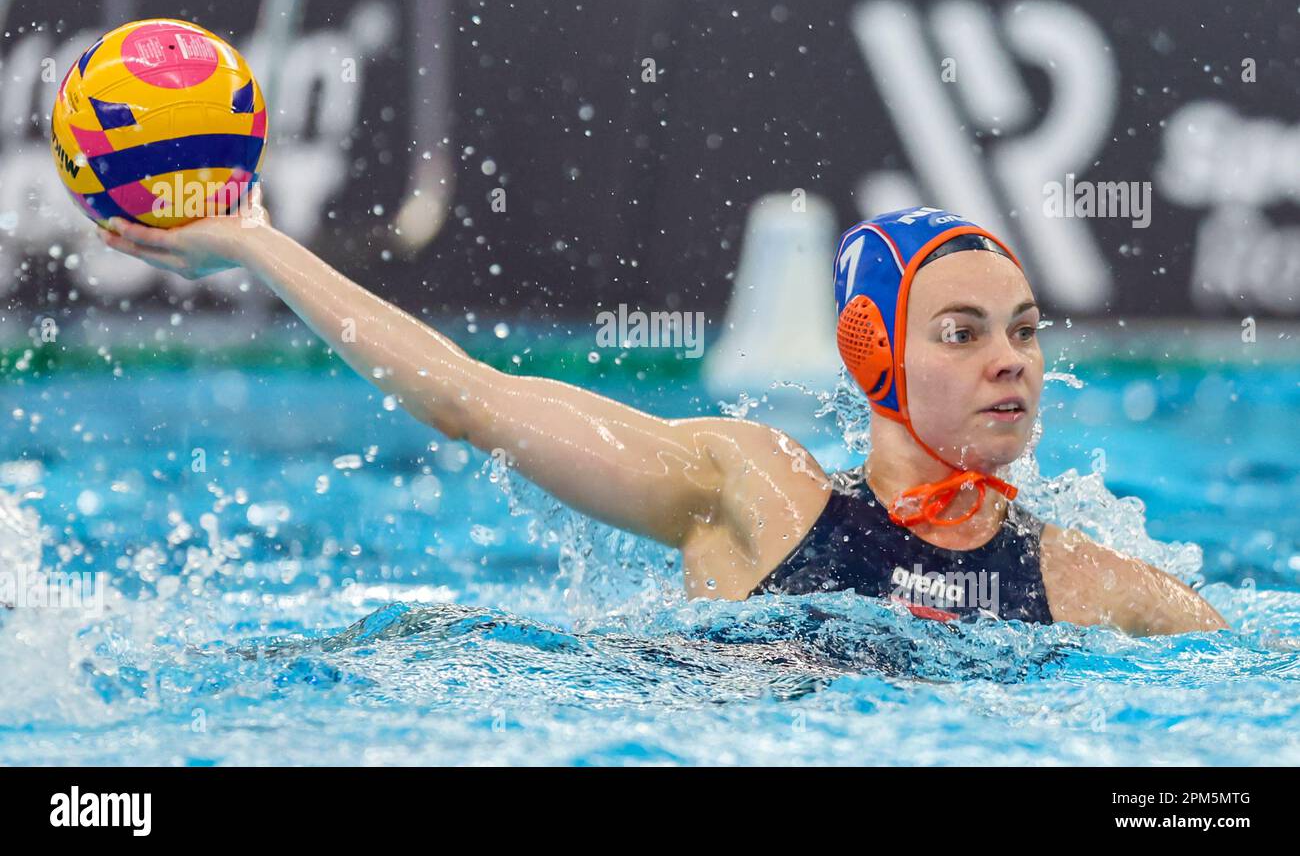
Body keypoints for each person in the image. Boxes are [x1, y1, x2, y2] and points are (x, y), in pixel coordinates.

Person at [95, 195, 1229, 636]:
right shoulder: (755, 491)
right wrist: (251, 239)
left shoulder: (1091, 580)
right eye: (963, 331)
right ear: (870, 351)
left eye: (1025, 330)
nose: (1009, 361)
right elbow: (467, 401)